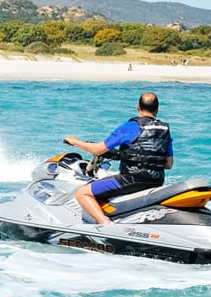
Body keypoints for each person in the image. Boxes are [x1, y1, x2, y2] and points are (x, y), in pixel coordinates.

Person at [62, 92, 173, 226]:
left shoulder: (131, 126)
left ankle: (105, 224)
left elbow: (98, 149)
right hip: (156, 181)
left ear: (138, 107)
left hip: (130, 180)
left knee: (82, 193)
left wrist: (75, 142)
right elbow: (168, 164)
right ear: (157, 109)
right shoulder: (165, 130)